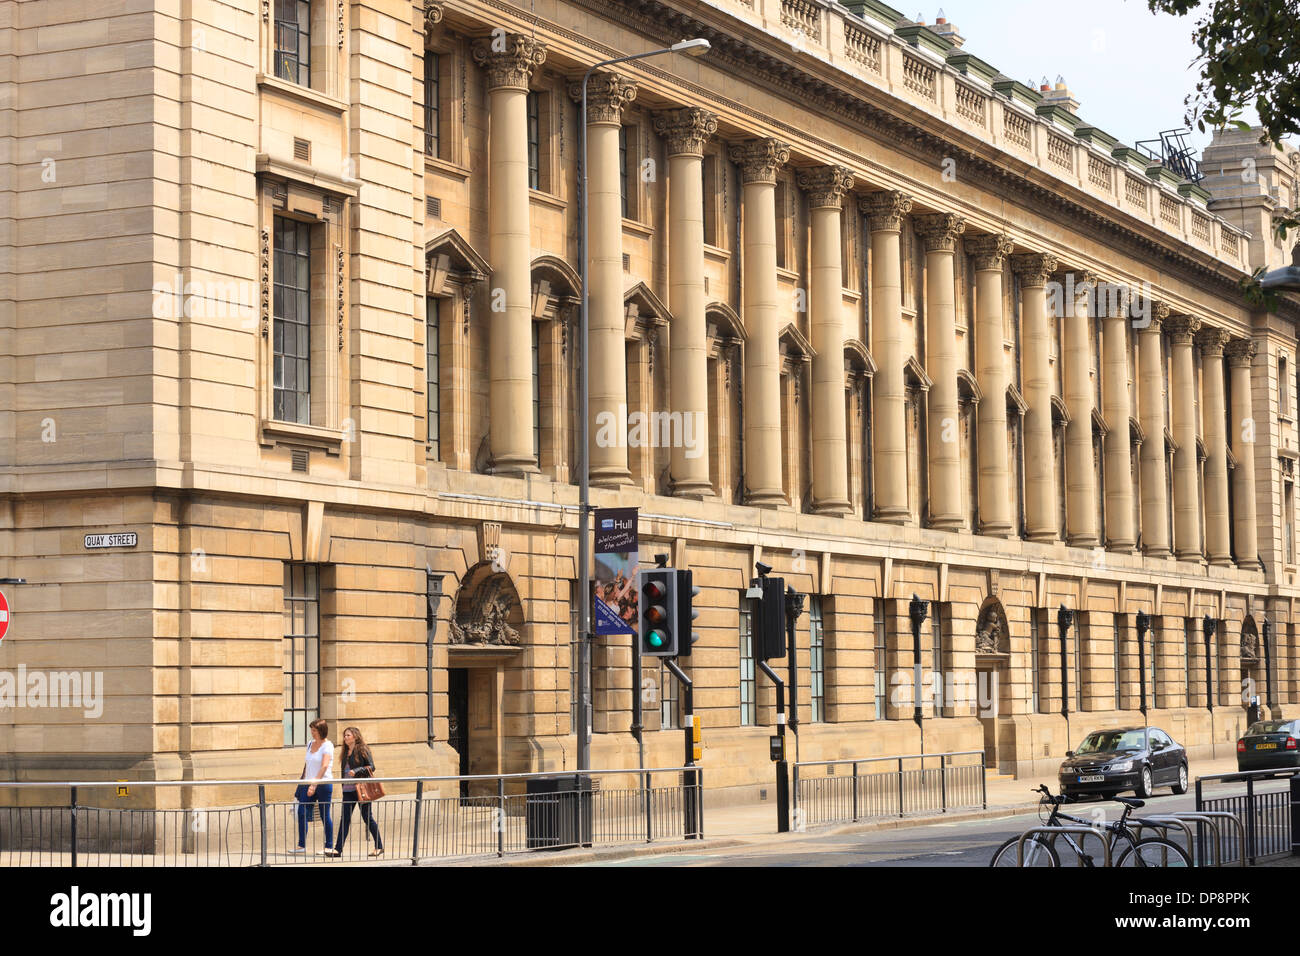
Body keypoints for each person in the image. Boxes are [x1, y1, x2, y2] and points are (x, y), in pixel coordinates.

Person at [331, 726, 384, 858]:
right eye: (344, 735)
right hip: (348, 790)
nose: (345, 738)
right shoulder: (345, 752)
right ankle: (338, 849)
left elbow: (372, 766)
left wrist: (357, 770)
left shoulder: (362, 749)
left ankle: (379, 846)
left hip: (361, 789)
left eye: (348, 735)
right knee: (345, 819)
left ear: (355, 736)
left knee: (367, 817)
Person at [293, 718, 334, 854]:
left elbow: (324, 766)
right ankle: (301, 845)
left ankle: (328, 846)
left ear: (321, 731)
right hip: (307, 783)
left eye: (314, 730)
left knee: (324, 815)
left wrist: (314, 784)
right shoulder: (310, 744)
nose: (312, 732)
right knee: (302, 812)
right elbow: (307, 765)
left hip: (323, 784)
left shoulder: (327, 745)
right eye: (311, 729)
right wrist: (304, 782)